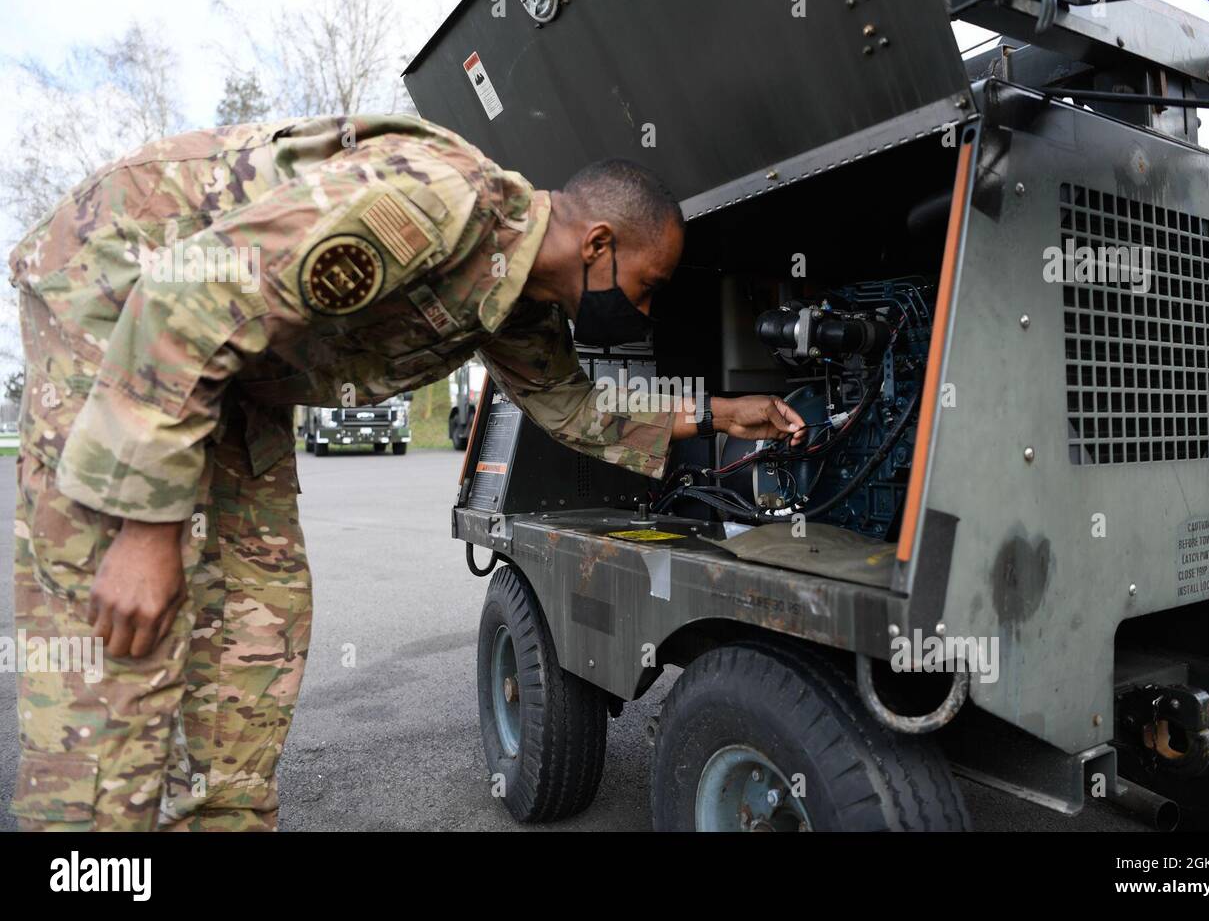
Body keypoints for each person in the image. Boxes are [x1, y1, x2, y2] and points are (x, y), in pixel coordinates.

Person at [7, 115, 805, 830]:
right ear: (598, 245)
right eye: (648, 287)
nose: (648, 310)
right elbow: (188, 299)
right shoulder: (435, 201)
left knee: (257, 618)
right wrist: (145, 527)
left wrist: (720, 413)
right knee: (119, 646)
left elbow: (577, 409)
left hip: (236, 366)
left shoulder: (521, 303)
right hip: (119, 299)